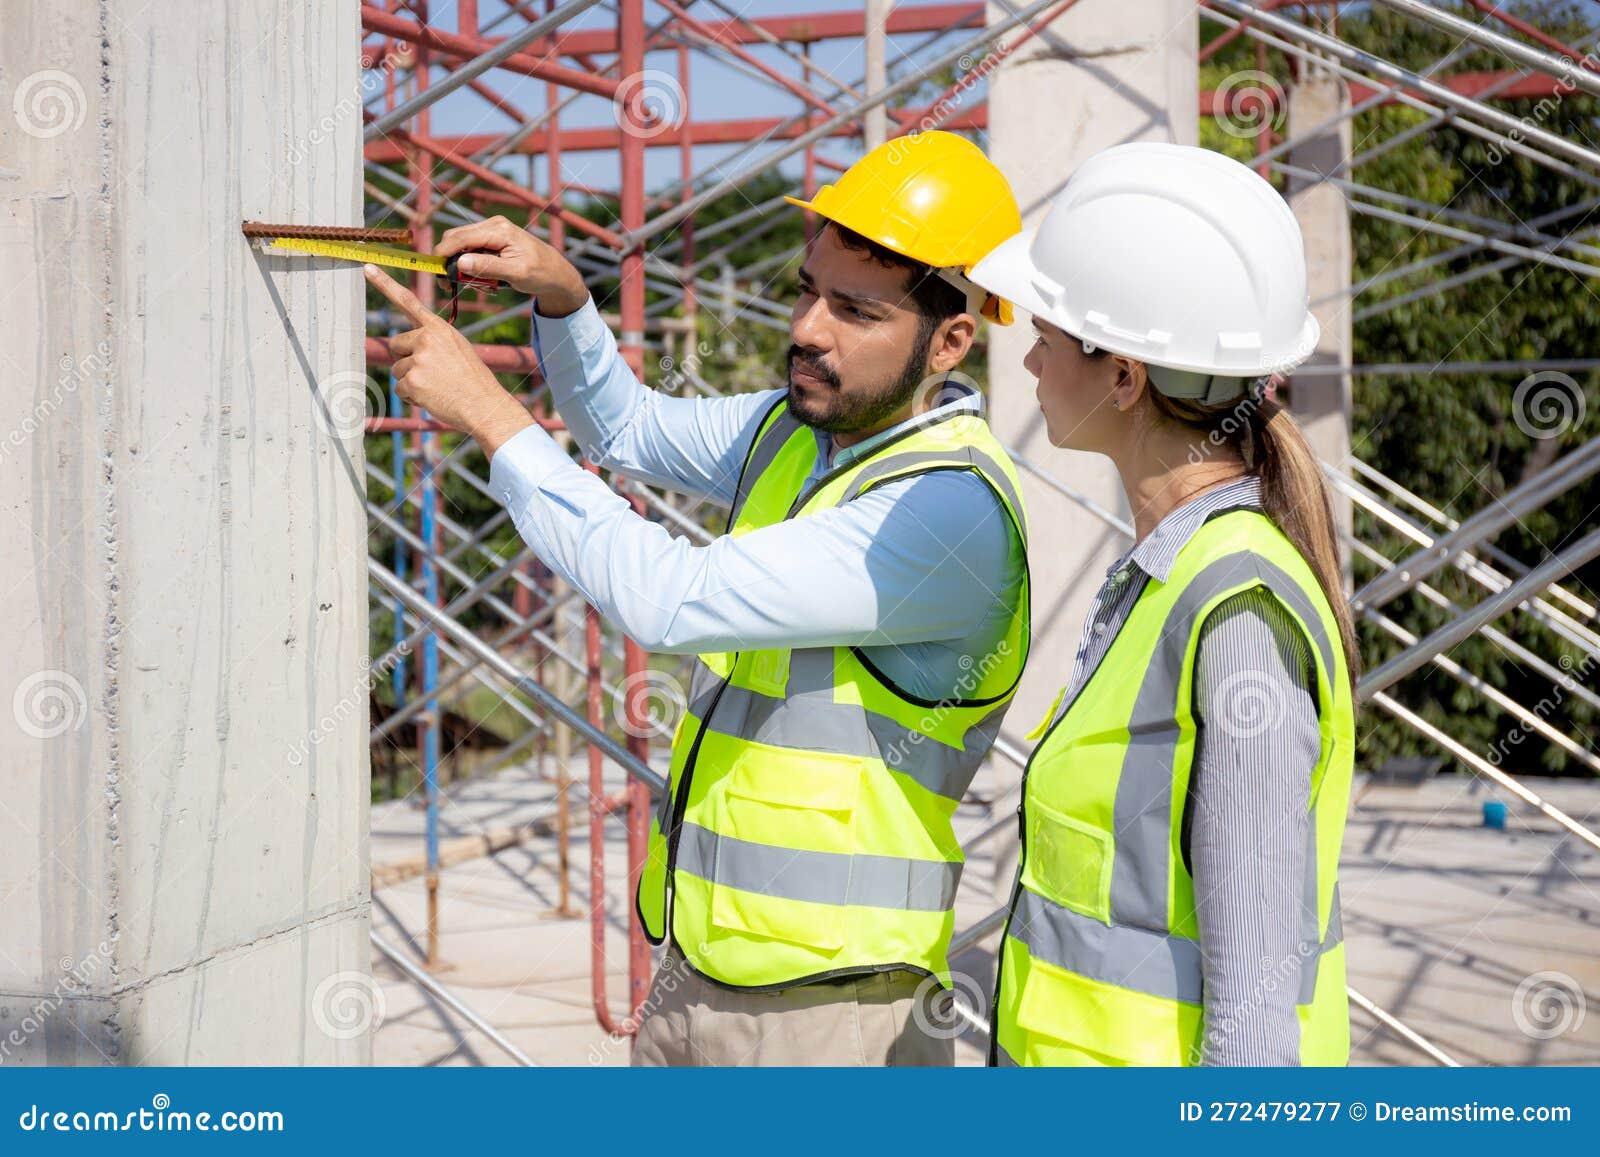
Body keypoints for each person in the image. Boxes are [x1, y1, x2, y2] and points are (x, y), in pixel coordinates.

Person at [363, 131, 1032, 1066]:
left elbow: (670, 598)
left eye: (854, 310)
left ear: (949, 340)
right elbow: (629, 428)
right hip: (697, 967)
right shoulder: (797, 433)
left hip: (835, 1015)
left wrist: (491, 414)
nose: (807, 328)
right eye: (807, 290)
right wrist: (564, 298)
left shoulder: (946, 510)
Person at [965, 141, 1358, 1067]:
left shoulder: (1237, 616)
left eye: (1048, 335)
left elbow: (1257, 1029)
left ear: (1125, 376)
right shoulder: (1172, 571)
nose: (1026, 357)